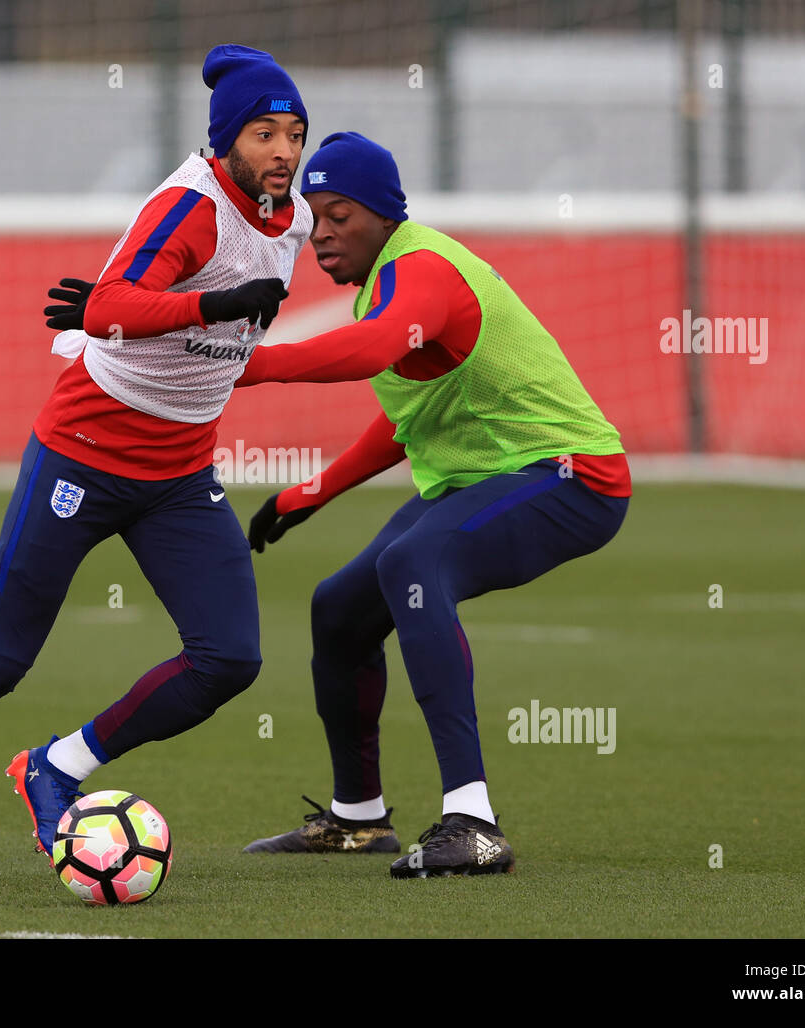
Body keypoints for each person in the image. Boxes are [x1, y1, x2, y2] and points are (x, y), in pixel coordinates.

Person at [0, 44, 313, 887]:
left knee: (231, 659)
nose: (283, 150)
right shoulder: (190, 207)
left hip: (179, 476)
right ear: (225, 139)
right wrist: (220, 301)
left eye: (295, 134)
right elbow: (110, 305)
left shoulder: (298, 221)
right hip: (83, 457)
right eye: (265, 132)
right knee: (1, 661)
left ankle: (56, 766)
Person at [234, 132, 632, 877]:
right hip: (481, 481)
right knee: (338, 609)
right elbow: (405, 418)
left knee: (414, 561)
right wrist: (309, 493)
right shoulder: (384, 279)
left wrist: (250, 365)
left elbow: (371, 348)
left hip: (572, 477)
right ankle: (358, 818)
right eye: (311, 216)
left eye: (339, 213)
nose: (321, 233)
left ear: (383, 212)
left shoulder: (420, 269)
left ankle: (474, 824)